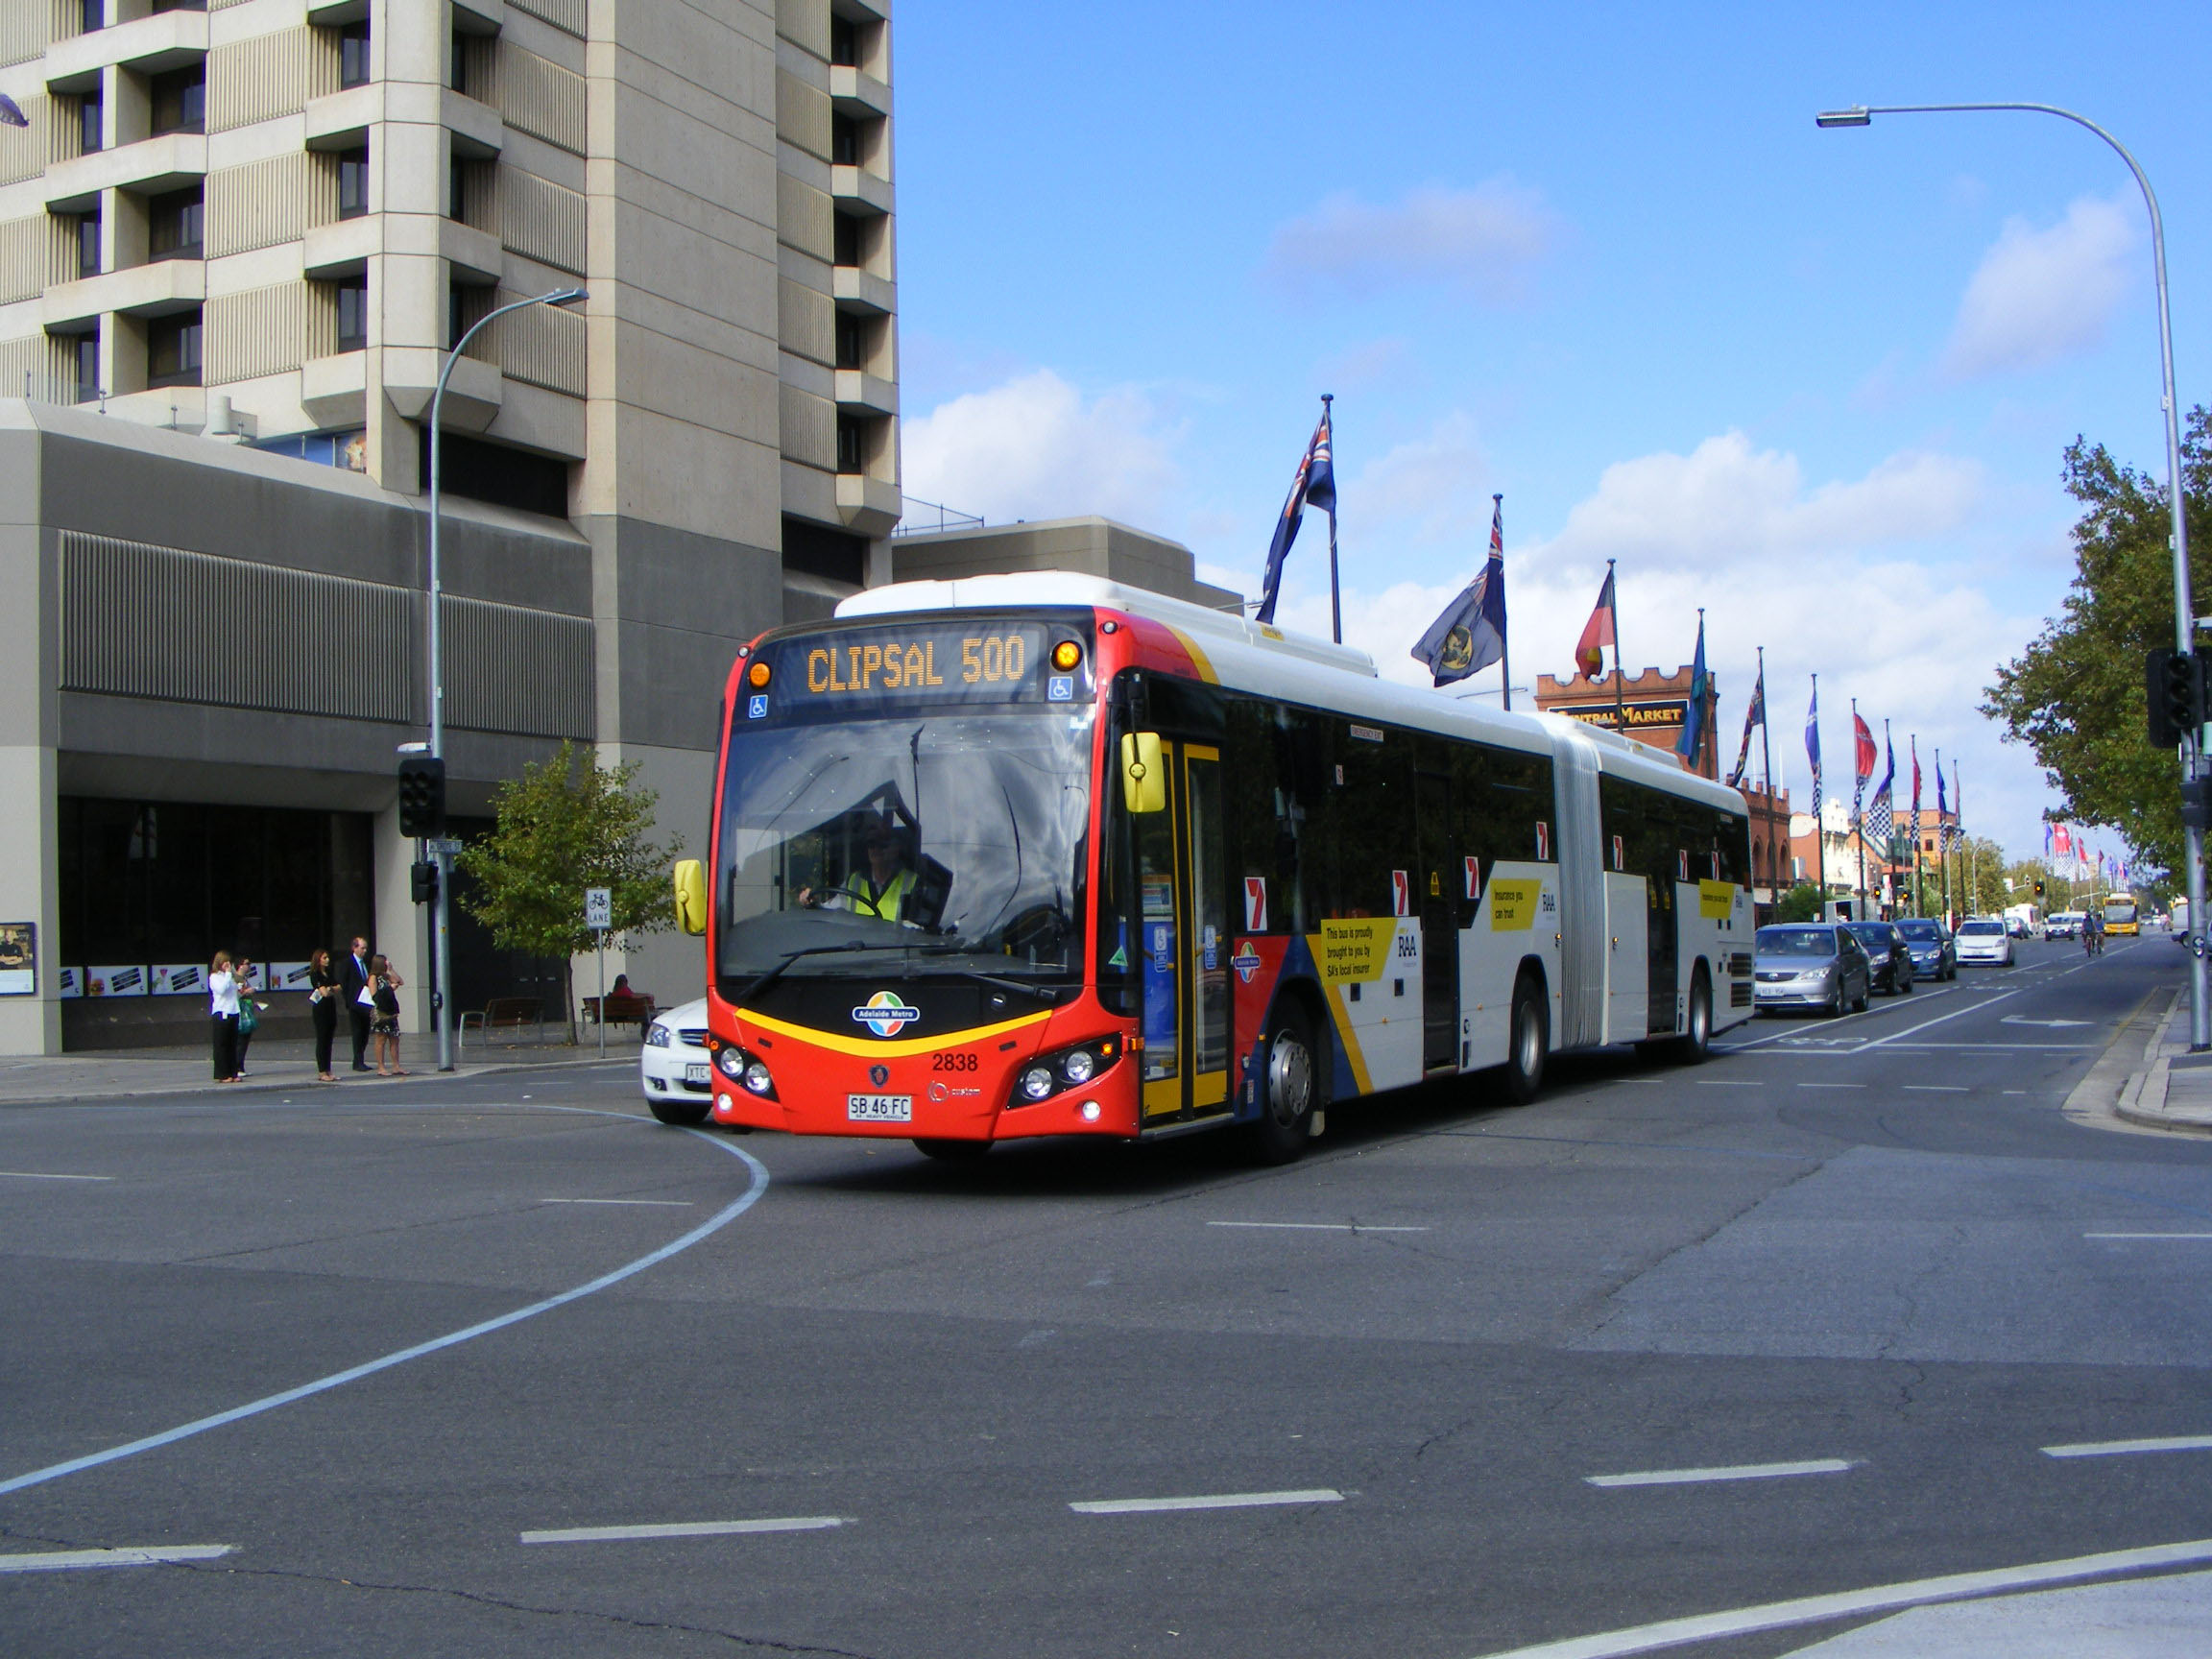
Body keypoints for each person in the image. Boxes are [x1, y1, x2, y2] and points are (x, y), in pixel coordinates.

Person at [799, 820, 915, 920]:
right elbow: (832, 912)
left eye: (883, 844)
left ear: (896, 848)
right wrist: (813, 903)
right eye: (871, 843)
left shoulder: (912, 882)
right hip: (858, 945)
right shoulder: (854, 880)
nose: (876, 849)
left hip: (894, 945)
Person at [341, 935, 373, 1072]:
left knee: (365, 1032)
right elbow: (344, 983)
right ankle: (357, 1061)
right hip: (355, 1003)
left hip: (365, 1002)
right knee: (357, 1032)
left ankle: (361, 1059)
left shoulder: (365, 963)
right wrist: (349, 1001)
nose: (364, 951)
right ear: (354, 948)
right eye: (362, 948)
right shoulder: (348, 963)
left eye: (366, 948)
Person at [307, 948, 341, 1083]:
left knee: (329, 1040)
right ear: (318, 960)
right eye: (324, 958)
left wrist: (331, 988)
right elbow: (323, 992)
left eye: (327, 958)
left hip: (330, 1007)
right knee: (322, 1040)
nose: (327, 960)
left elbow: (338, 986)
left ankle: (328, 1069)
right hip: (321, 1009)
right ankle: (322, 1071)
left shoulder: (328, 973)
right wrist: (329, 989)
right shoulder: (315, 974)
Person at [208, 950, 241, 1083]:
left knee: (232, 1044)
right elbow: (221, 990)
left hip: (233, 1011)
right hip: (221, 1013)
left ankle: (233, 1072)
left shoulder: (230, 976)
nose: (228, 965)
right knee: (221, 1045)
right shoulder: (215, 977)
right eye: (225, 962)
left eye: (229, 962)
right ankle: (222, 1074)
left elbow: (233, 992)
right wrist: (228, 974)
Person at [370, 954, 406, 1075]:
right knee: (381, 1039)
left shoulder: (386, 976)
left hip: (391, 1010)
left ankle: (396, 1066)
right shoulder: (373, 978)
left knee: (394, 1038)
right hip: (381, 1011)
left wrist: (391, 969)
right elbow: (375, 996)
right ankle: (381, 1067)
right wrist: (389, 989)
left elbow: (400, 981)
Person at [232, 957, 263, 1076]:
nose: (249, 966)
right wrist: (247, 992)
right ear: (240, 965)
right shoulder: (236, 978)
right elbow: (237, 995)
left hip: (247, 1008)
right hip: (241, 1012)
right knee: (241, 1040)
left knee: (244, 1040)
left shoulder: (244, 979)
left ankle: (241, 1066)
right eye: (247, 964)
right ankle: (237, 1066)